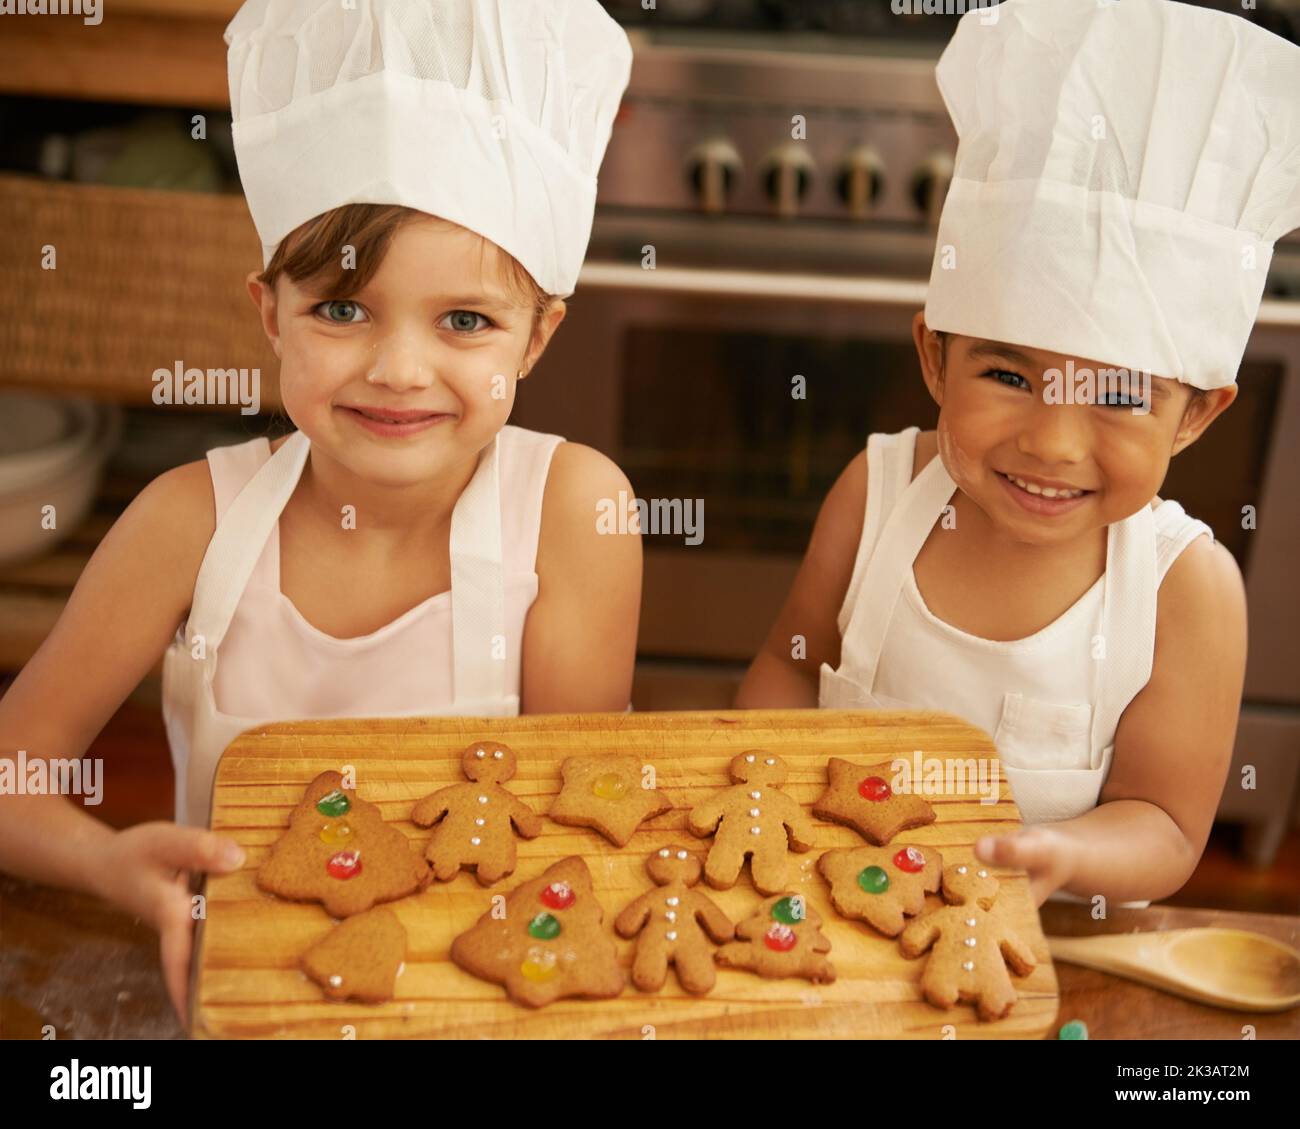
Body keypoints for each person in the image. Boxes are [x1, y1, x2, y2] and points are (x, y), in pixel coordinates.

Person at [0, 0, 638, 1021]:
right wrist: (112, 861)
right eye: (342, 309)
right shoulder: (188, 523)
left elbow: (571, 829)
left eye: (465, 321)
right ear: (269, 312)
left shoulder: (572, 512)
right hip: (243, 1007)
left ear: (536, 338)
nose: (397, 370)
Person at [737, 0, 1300, 907]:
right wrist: (758, 787)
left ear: (1197, 415)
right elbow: (793, 667)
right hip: (818, 915)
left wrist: (1060, 856)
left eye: (1119, 394)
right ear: (935, 356)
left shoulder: (1185, 592)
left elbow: (1164, 822)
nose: (1053, 439)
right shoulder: (875, 494)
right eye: (1008, 372)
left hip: (1038, 954)